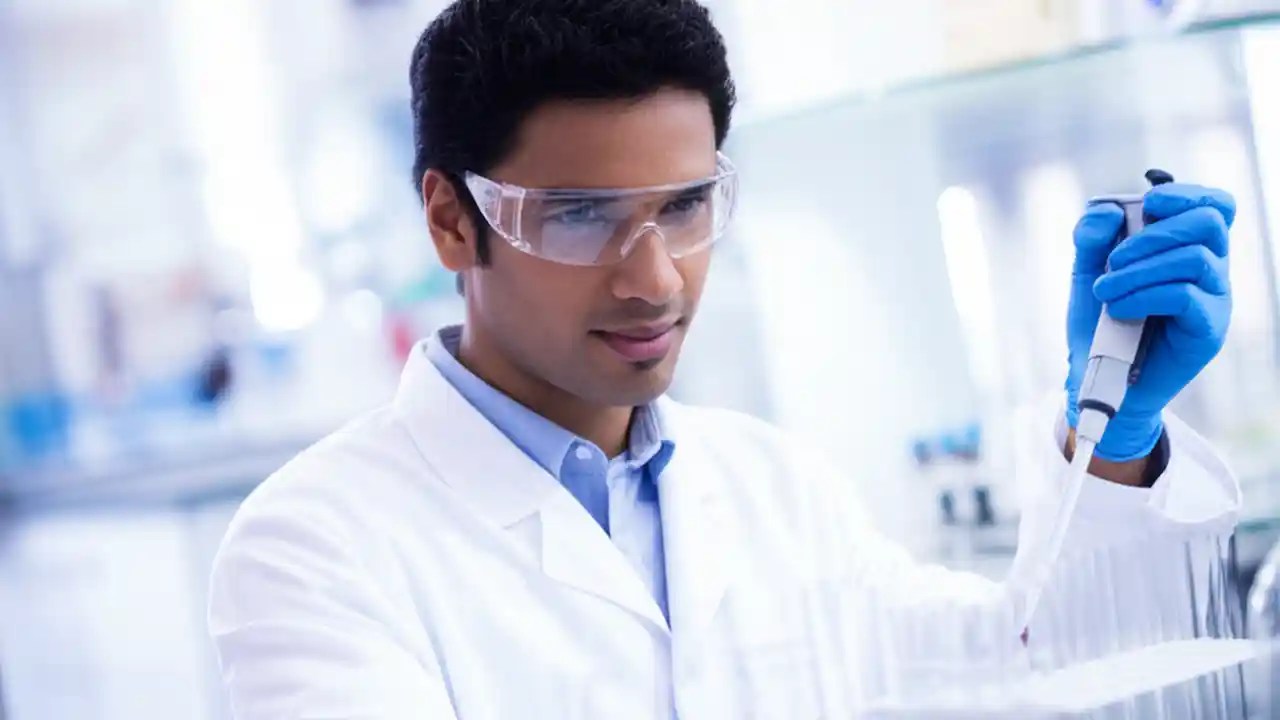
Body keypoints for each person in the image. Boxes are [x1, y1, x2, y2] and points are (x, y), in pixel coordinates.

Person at [208, 1, 1241, 717]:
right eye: (580, 216)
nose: (654, 279)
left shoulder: (768, 485)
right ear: (449, 220)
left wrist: (1115, 434)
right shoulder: (317, 547)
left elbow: (1024, 671)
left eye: (686, 205)